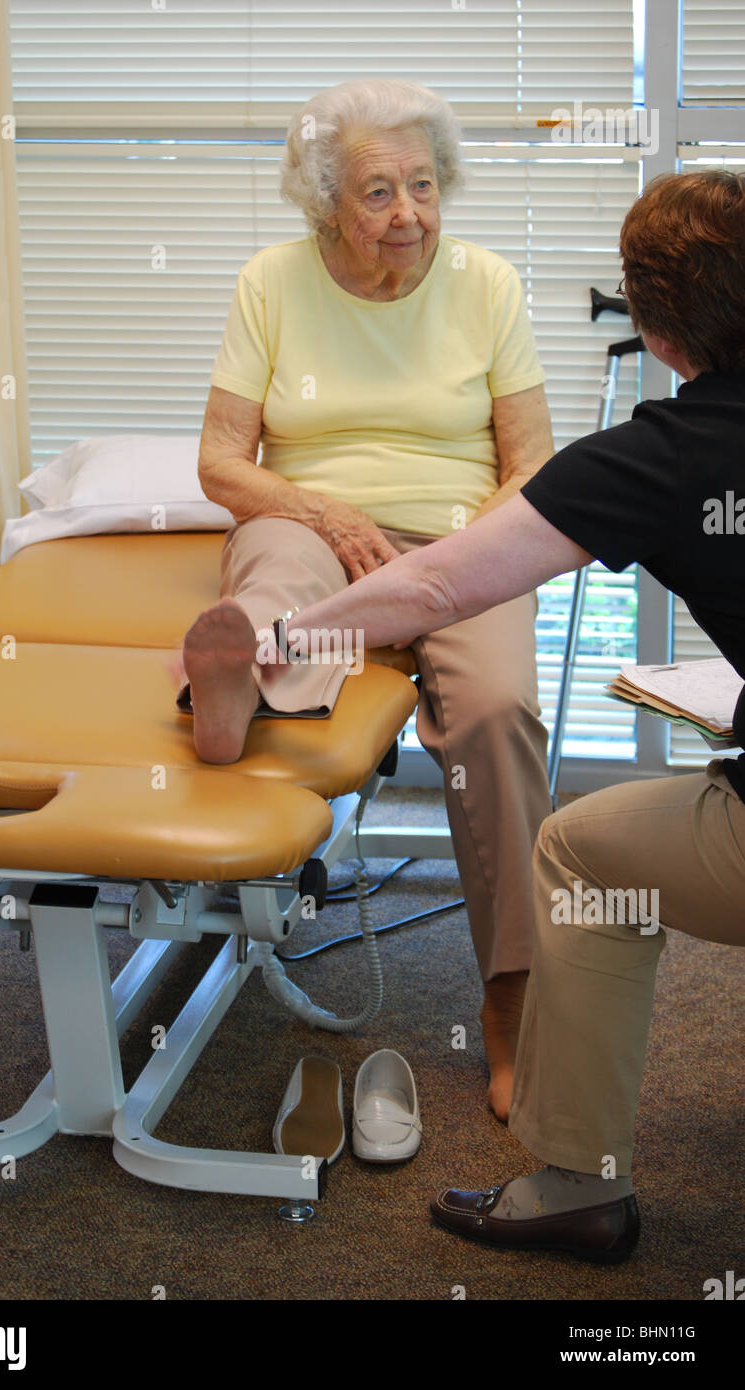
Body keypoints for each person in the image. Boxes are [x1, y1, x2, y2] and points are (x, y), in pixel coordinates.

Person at [252, 168, 745, 1263]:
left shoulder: (660, 457)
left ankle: (578, 1184)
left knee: (576, 853)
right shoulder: (274, 290)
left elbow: (434, 589)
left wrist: (279, 642)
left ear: (660, 336)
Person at [180, 78, 556, 1122]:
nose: (408, 214)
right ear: (325, 206)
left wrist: (477, 547)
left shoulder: (487, 286)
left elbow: (533, 463)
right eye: (378, 192)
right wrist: (317, 506)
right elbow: (221, 462)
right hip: (310, 518)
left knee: (496, 711)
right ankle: (232, 680)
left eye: (423, 186)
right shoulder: (273, 282)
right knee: (278, 580)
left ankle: (513, 1003)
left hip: (461, 535)